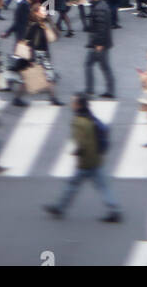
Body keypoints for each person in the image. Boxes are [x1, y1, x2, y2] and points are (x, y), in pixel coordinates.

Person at [44, 93, 122, 222]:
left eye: (74, 102)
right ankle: (115, 210)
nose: (72, 105)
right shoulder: (91, 118)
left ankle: (59, 208)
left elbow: (82, 142)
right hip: (96, 158)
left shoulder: (79, 121)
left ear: (78, 105)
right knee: (103, 187)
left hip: (86, 162)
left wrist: (77, 151)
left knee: (73, 185)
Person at [85, 0, 116, 100]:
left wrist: (99, 44)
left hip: (99, 43)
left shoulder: (99, 8)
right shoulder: (101, 6)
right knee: (102, 66)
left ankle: (92, 89)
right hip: (100, 42)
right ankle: (107, 89)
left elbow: (101, 28)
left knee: (99, 65)